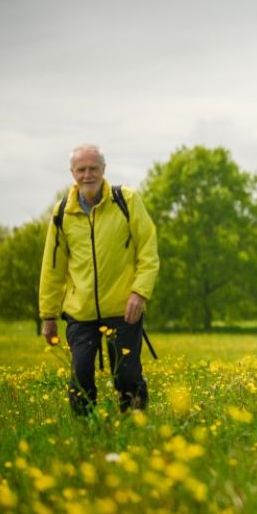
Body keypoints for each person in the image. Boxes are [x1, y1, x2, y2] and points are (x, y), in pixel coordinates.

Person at [39, 144, 160, 415]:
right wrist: (48, 315)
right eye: (81, 169)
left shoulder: (125, 201)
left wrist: (140, 292)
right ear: (72, 173)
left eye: (93, 168)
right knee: (80, 376)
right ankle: (86, 433)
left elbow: (148, 250)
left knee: (127, 377)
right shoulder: (62, 214)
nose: (87, 174)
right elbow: (53, 267)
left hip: (123, 309)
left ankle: (135, 426)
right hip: (80, 312)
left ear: (103, 170)